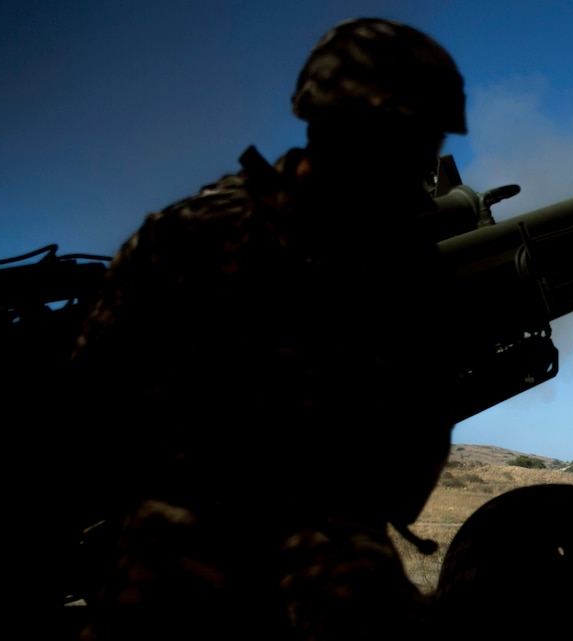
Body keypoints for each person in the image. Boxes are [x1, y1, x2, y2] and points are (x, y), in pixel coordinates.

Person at [73, 18, 467, 640]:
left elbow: (95, 387)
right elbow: (96, 402)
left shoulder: (185, 233)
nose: (424, 156)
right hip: (235, 548)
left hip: (264, 552)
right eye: (416, 135)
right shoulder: (196, 238)